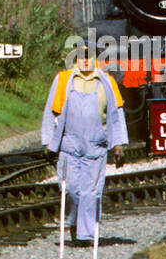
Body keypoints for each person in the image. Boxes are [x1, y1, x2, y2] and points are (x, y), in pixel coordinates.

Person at [41, 39, 128, 244]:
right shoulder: (63, 80)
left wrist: (118, 145)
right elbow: (49, 111)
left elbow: (117, 115)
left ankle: (85, 235)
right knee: (70, 188)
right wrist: (47, 141)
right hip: (69, 144)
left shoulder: (107, 81)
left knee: (91, 192)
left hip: (96, 146)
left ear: (96, 59)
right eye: (81, 56)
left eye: (89, 56)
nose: (85, 60)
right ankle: (73, 222)